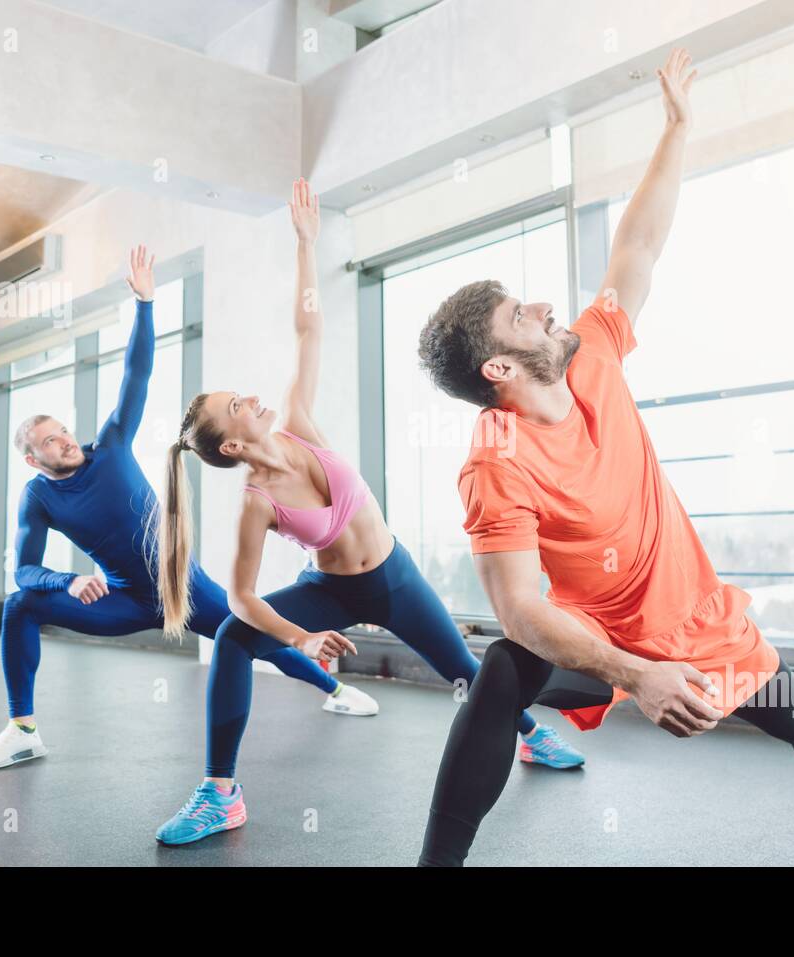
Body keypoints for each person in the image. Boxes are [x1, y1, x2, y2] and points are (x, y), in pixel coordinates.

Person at [413, 48, 794, 866]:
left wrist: (676, 127)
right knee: (502, 668)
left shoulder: (590, 351)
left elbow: (638, 246)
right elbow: (525, 610)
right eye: (518, 316)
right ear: (498, 370)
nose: (542, 306)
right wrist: (634, 673)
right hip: (594, 633)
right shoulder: (496, 458)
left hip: (689, 612)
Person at [153, 179, 585, 846]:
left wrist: (305, 243)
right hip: (332, 588)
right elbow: (239, 596)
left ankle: (530, 734)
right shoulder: (257, 504)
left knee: (468, 671)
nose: (250, 397)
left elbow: (308, 326)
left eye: (240, 392)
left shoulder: (297, 420)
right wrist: (297, 638)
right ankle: (220, 793)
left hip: (395, 573)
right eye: (236, 405)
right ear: (233, 445)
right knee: (237, 639)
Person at [0, 246, 365, 772]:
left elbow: (137, 374)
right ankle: (22, 730)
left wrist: (145, 304)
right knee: (21, 604)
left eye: (62, 430)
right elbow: (21, 570)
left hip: (181, 585)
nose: (64, 441)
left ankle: (333, 686)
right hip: (126, 600)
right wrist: (64, 582)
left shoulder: (110, 445)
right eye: (49, 442)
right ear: (31, 458)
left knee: (256, 636)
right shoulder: (37, 497)